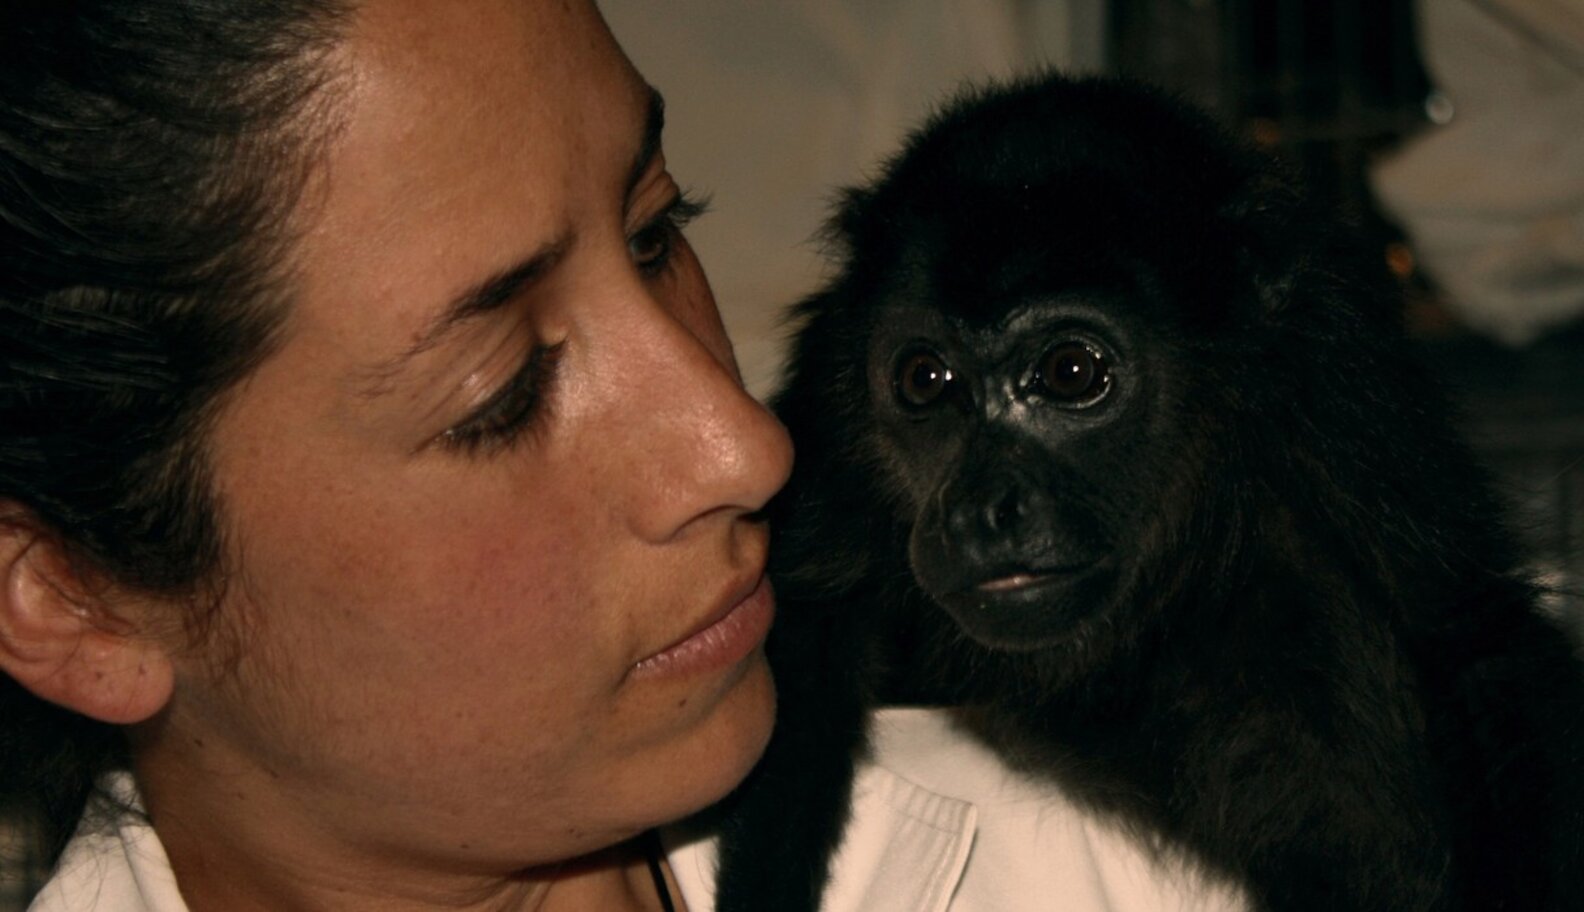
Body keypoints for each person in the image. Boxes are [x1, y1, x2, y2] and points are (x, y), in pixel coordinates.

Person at [0, 2, 1246, 910]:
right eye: (502, 393)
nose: (743, 442)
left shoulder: (1143, 864)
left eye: (656, 235)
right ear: (68, 596)